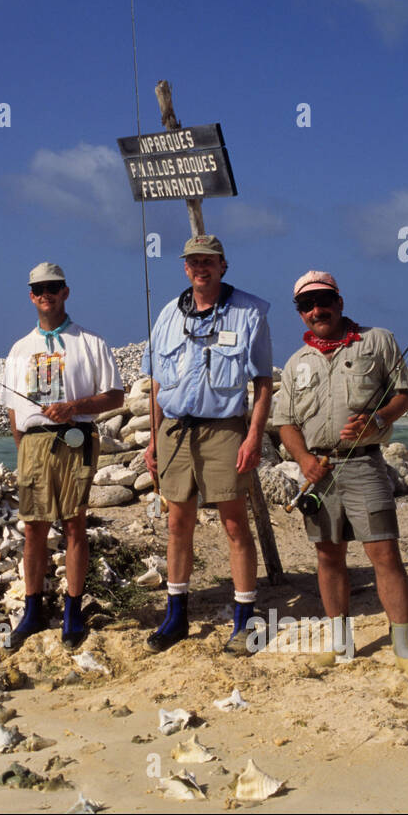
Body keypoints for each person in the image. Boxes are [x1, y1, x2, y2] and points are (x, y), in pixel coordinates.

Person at [269, 270, 408, 679]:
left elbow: (404, 393)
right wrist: (303, 458)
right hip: (317, 473)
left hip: (364, 464)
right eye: (306, 305)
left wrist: (377, 419)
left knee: (384, 554)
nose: (316, 310)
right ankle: (341, 645)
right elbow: (285, 423)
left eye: (323, 300)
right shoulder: (296, 363)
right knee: (328, 557)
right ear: (300, 313)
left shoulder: (378, 340)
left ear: (340, 301)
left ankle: (404, 646)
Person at [141, 234, 273, 652]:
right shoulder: (166, 315)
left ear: (223, 265)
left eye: (209, 261)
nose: (201, 267)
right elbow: (156, 381)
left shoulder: (249, 312)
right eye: (193, 261)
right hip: (175, 429)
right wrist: (152, 439)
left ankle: (245, 619)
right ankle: (175, 615)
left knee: (235, 523)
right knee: (178, 524)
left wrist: (253, 436)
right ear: (185, 268)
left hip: (224, 429)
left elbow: (264, 382)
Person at [0, 262, 124, 649]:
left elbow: (115, 396)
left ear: (66, 292)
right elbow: (11, 407)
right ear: (30, 295)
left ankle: (72, 611)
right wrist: (22, 447)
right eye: (38, 288)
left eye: (53, 287)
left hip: (77, 438)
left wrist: (74, 406)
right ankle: (32, 610)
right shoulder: (20, 349)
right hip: (34, 443)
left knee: (74, 523)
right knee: (33, 527)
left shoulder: (91, 342)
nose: (46, 294)